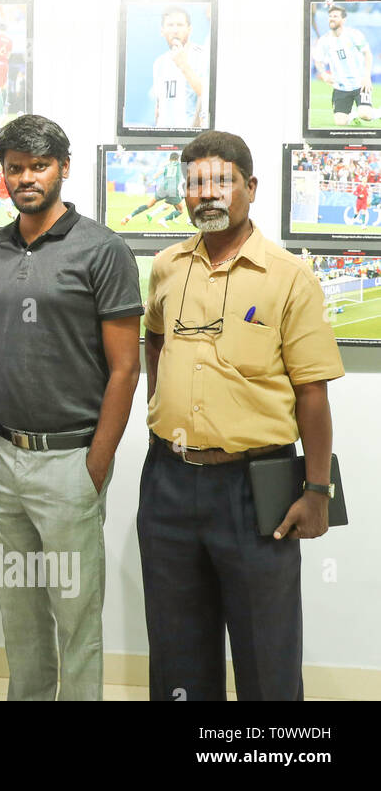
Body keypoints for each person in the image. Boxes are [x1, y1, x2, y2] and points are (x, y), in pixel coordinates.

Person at [140, 131, 343, 701]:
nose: (207, 194)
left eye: (221, 181)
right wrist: (162, 410)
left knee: (267, 652)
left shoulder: (288, 276)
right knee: (177, 649)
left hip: (257, 486)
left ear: (250, 188)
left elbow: (312, 393)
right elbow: (153, 342)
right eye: (195, 183)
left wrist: (318, 489)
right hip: (169, 482)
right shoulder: (166, 267)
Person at [0, 114, 143, 700]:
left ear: (63, 169)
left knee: (76, 618)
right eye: (14, 168)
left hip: (70, 461)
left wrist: (95, 463)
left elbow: (126, 367)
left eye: (38, 166)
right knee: (18, 617)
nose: (26, 177)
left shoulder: (102, 249)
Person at [312, 5, 377, 126]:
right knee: (340, 123)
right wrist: (324, 74)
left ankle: (376, 113)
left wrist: (366, 77)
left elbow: (367, 54)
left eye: (335, 16)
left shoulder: (354, 35)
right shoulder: (324, 40)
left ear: (343, 20)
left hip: (360, 84)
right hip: (340, 87)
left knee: (365, 115)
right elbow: (317, 59)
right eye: (330, 16)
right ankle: (352, 116)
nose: (332, 18)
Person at [150, 6, 208, 129]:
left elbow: (207, 95)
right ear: (162, 31)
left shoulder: (203, 56)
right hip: (163, 137)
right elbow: (159, 106)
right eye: (170, 25)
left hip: (191, 139)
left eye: (180, 25)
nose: (175, 30)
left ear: (189, 29)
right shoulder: (159, 63)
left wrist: (183, 65)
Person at [122, 152, 187, 228]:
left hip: (162, 189)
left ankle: (129, 216)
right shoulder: (181, 165)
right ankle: (162, 220)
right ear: (178, 159)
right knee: (180, 210)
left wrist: (150, 182)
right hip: (172, 190)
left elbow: (157, 174)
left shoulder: (167, 165)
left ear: (170, 159)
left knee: (148, 205)